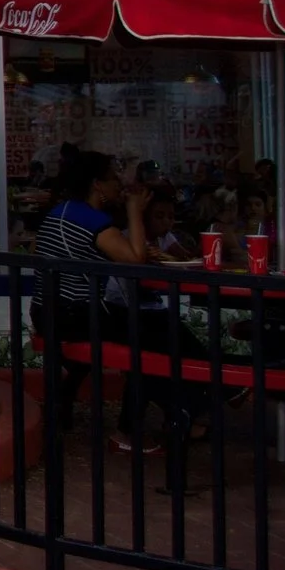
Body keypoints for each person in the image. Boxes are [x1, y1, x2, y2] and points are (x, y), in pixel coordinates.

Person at [31, 148, 190, 453]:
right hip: (75, 314)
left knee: (155, 328)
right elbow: (134, 262)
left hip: (50, 311)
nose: (120, 183)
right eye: (114, 178)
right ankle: (136, 428)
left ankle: (200, 401)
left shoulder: (61, 212)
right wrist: (134, 210)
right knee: (154, 339)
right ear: (97, 185)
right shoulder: (90, 220)